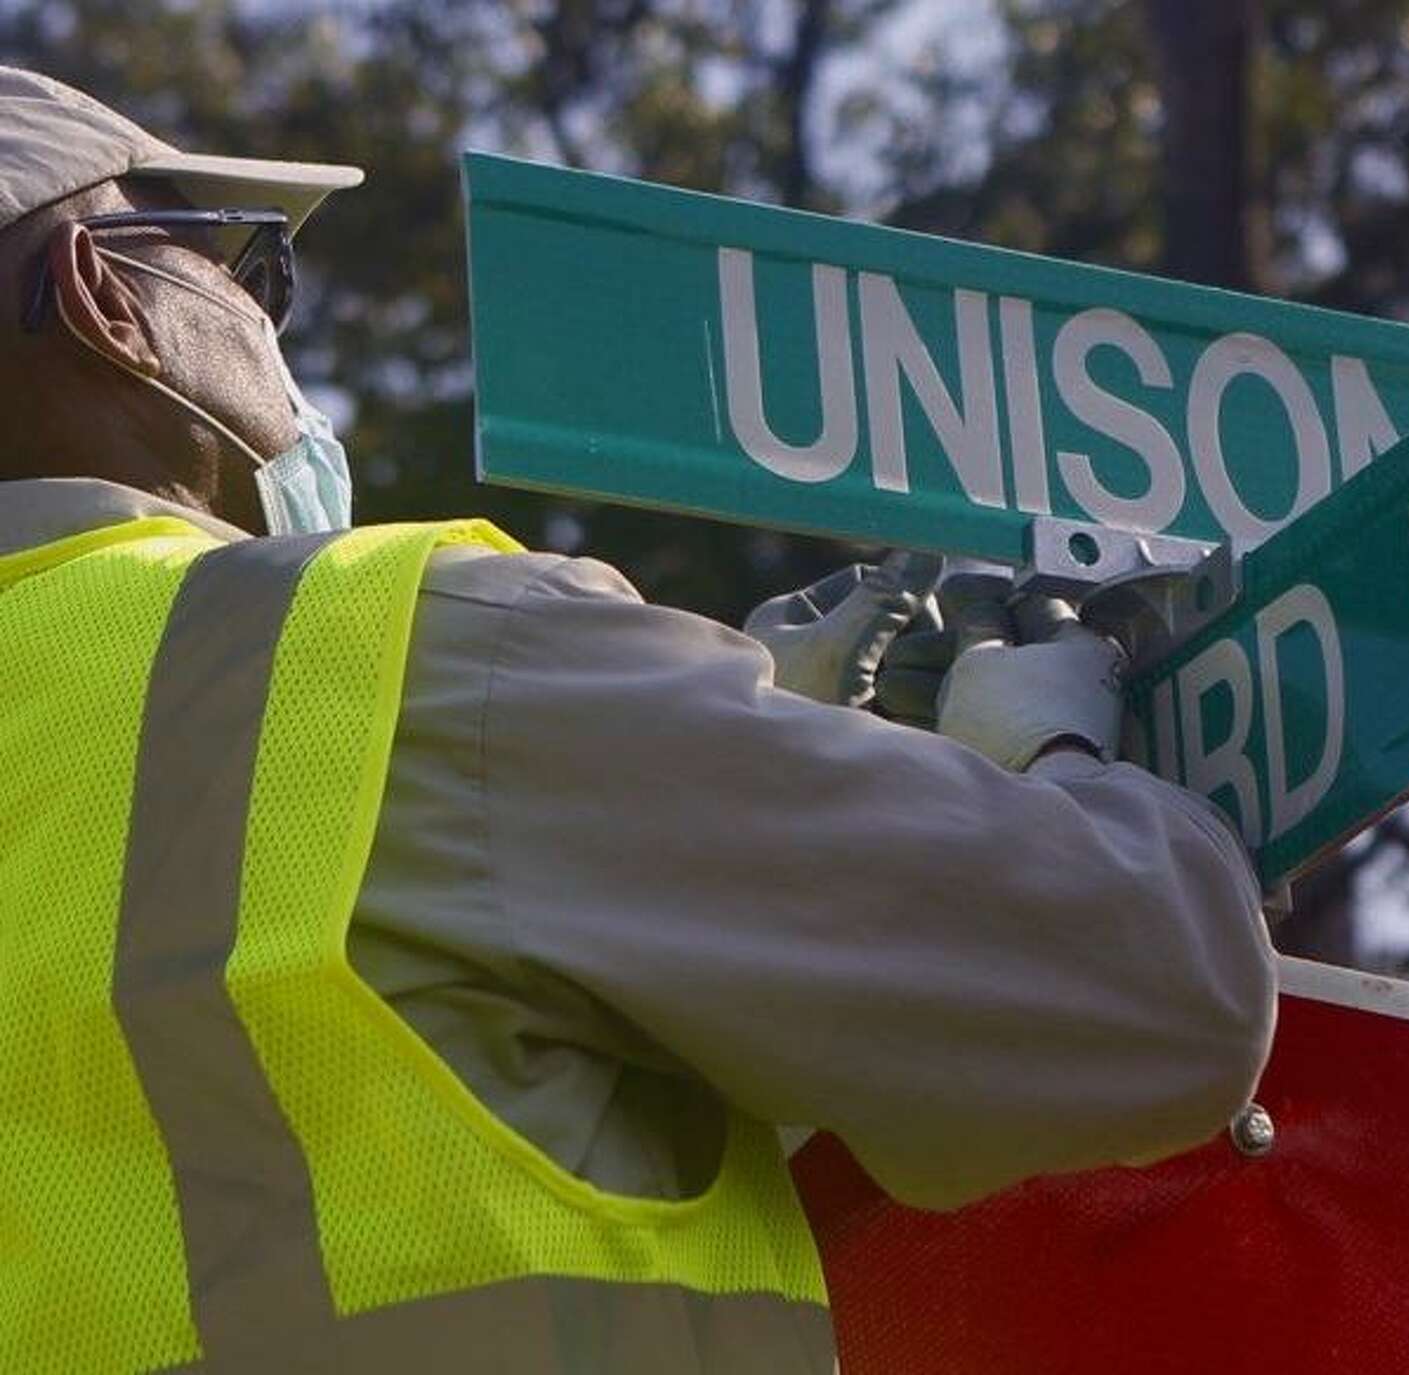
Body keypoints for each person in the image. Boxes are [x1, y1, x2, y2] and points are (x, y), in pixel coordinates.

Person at [0, 68, 1278, 1372]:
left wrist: (766, 755)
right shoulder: (392, 654)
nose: (276, 340)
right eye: (248, 273)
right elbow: (1154, 995)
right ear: (107, 296)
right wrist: (1044, 748)